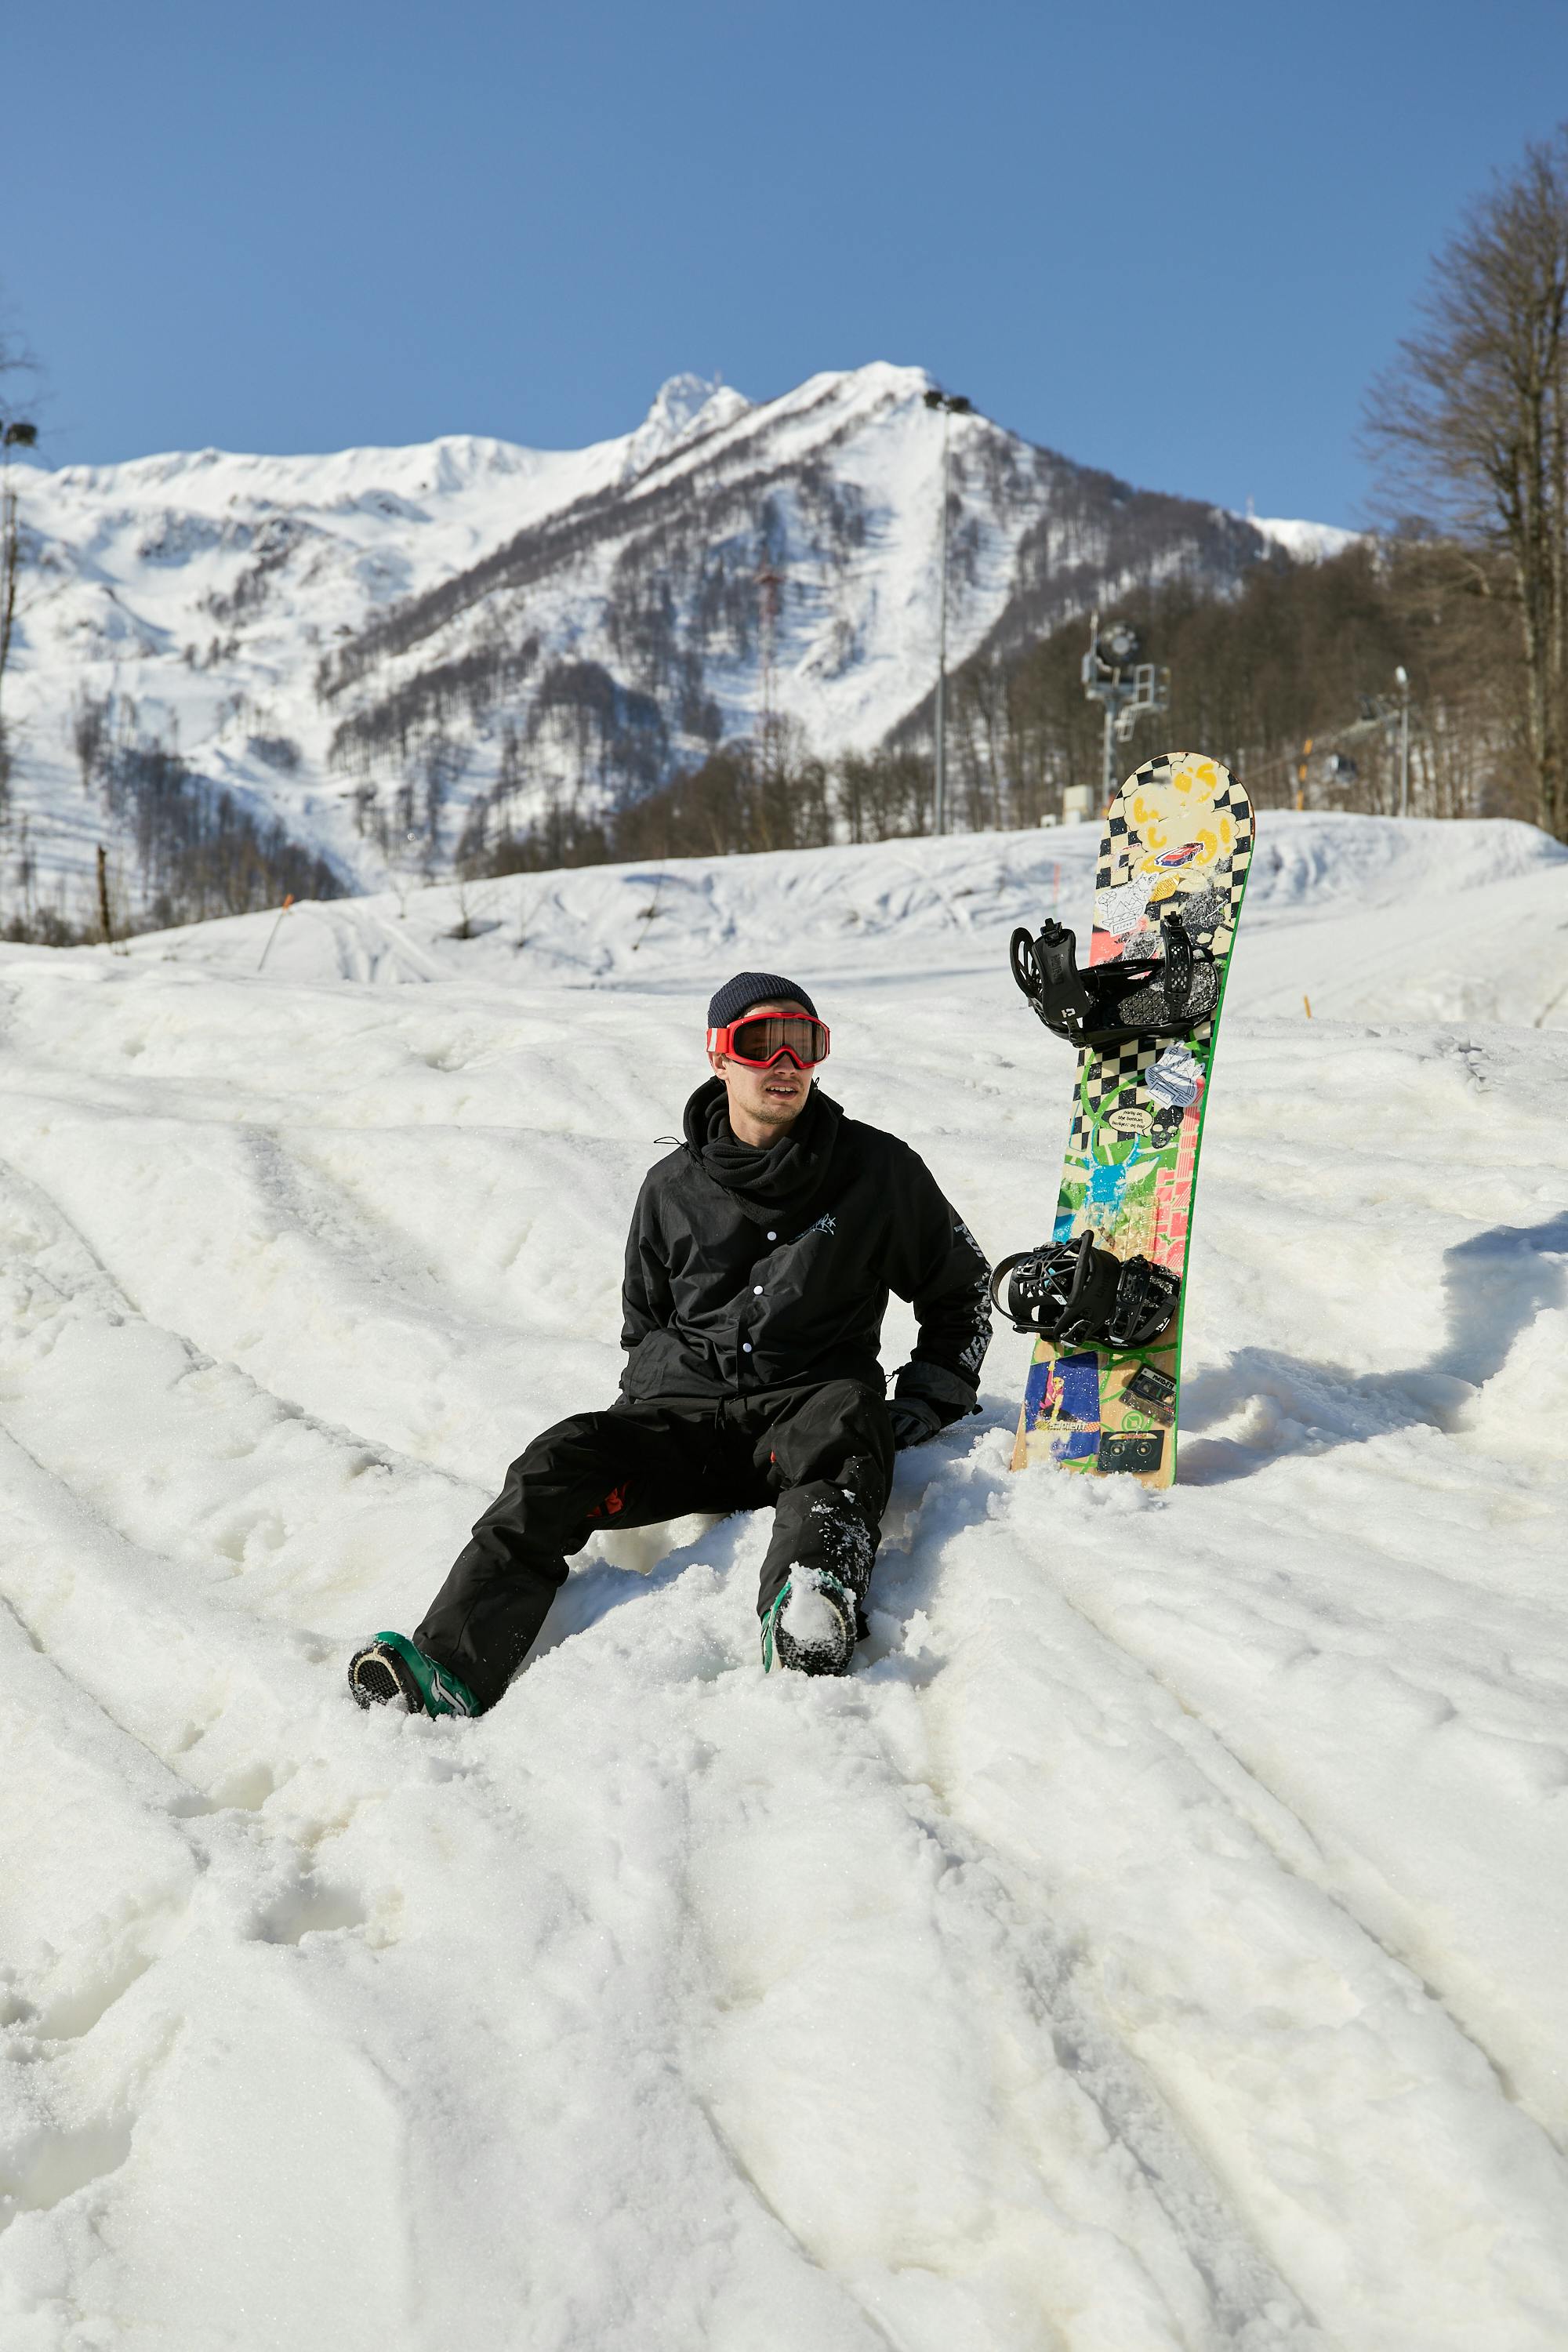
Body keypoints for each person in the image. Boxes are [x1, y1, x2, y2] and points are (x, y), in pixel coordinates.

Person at [348, 971, 992, 1715]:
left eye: (803, 1045)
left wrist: (934, 1391)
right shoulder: (671, 1186)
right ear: (719, 1057)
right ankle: (448, 1669)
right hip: (683, 1423)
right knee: (557, 1460)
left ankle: (811, 1607)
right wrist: (647, 1415)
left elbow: (963, 1285)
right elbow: (643, 1320)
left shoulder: (878, 1171)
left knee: (847, 1414)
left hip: (807, 1416)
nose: (784, 1065)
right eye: (760, 1045)